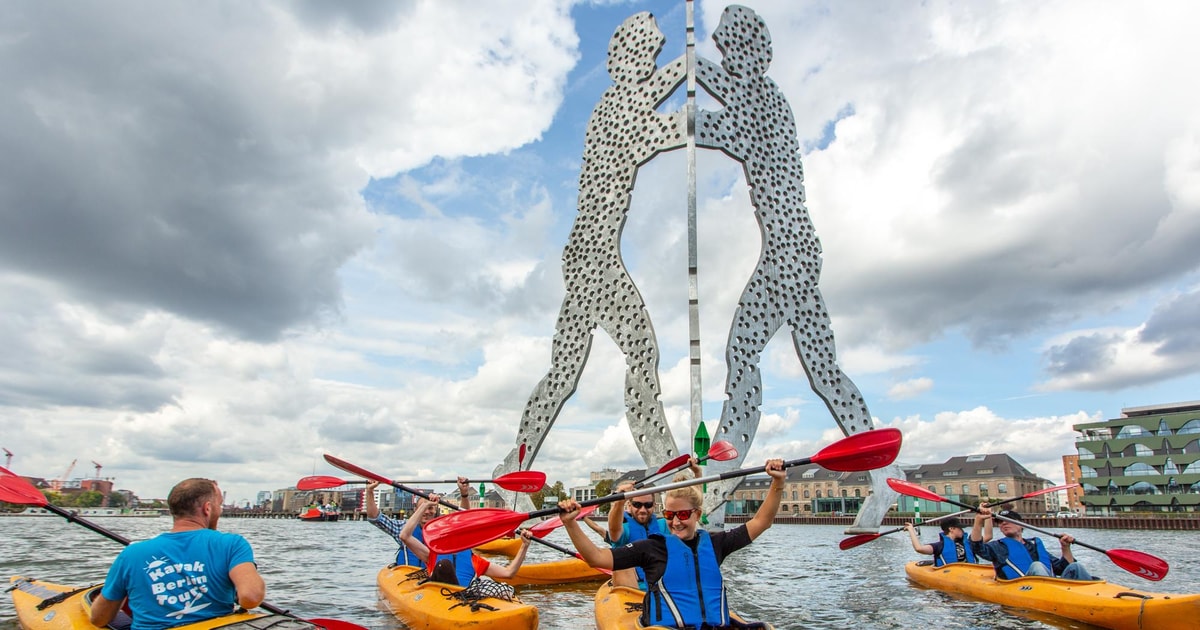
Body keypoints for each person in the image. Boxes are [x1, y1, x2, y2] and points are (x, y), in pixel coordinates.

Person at [560, 459, 786, 629]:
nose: (675, 522)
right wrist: (571, 524)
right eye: (669, 514)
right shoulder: (651, 548)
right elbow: (596, 558)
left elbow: (762, 522)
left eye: (683, 514)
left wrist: (778, 481)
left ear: (697, 514)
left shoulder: (717, 543)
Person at [90, 478, 266, 630]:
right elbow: (250, 598)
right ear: (207, 508)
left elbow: (99, 619)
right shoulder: (232, 544)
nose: (220, 510)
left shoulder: (132, 553)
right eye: (219, 505)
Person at [606, 458, 702, 589]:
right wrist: (619, 500)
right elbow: (613, 530)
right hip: (634, 589)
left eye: (648, 505)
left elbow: (692, 504)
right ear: (629, 505)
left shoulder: (666, 525)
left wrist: (697, 474)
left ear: (654, 506)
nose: (643, 510)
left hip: (663, 588)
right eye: (637, 505)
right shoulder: (625, 529)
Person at [400, 493, 534, 586]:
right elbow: (404, 536)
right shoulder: (432, 555)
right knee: (444, 565)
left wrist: (524, 546)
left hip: (462, 601)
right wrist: (425, 505)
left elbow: (508, 573)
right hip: (438, 598)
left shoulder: (474, 560)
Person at [364, 478, 472, 566]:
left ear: (436, 510)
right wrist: (370, 491)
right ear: (416, 510)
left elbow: (463, 520)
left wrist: (464, 494)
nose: (427, 512)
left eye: (431, 508)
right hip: (409, 579)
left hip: (435, 578)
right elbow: (375, 517)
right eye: (423, 508)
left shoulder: (444, 529)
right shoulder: (403, 527)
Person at [970, 506, 1094, 580]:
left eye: (1008, 520)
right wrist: (978, 521)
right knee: (1037, 566)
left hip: (1050, 586)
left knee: (1076, 567)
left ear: (1020, 525)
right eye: (1000, 522)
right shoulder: (998, 546)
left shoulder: (1034, 545)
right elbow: (977, 547)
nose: (1003, 523)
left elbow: (1061, 569)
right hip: (1022, 586)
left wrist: (1065, 547)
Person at [904, 516, 987, 566]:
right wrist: (911, 530)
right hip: (949, 574)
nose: (962, 531)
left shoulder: (969, 543)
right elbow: (919, 548)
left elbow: (988, 536)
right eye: (960, 528)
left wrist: (988, 517)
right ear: (951, 529)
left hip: (970, 573)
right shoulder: (940, 546)